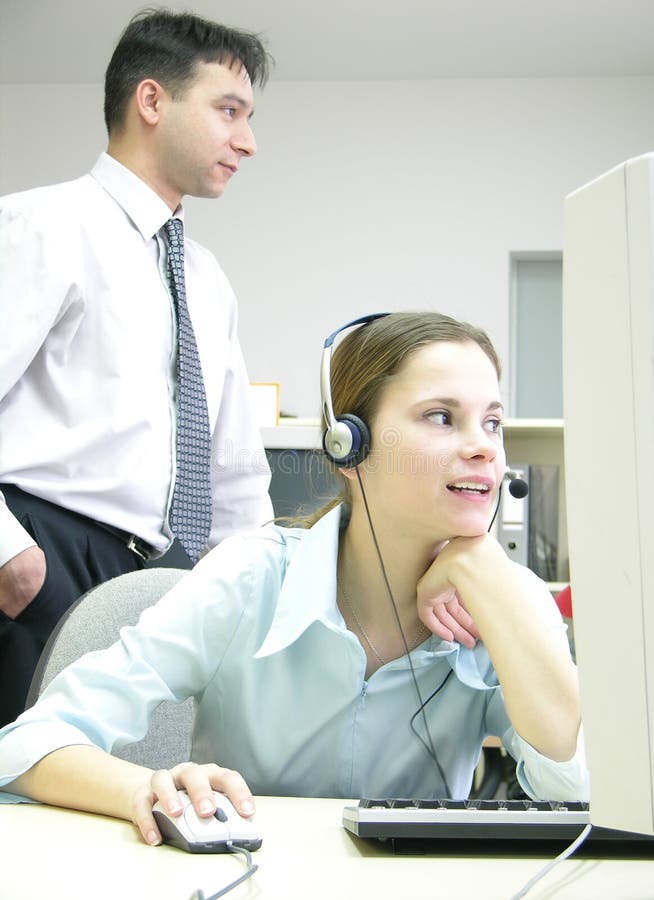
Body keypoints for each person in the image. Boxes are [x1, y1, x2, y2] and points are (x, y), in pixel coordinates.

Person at [0, 311, 588, 844]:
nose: (485, 448)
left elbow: (581, 797)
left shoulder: (506, 603)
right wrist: (147, 789)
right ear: (348, 446)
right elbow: (27, 744)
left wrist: (491, 573)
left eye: (492, 422)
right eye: (442, 417)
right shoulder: (251, 577)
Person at [0, 10, 275, 726]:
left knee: (126, 803)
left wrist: (261, 601)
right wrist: (12, 559)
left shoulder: (207, 279)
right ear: (151, 101)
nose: (247, 141)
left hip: (158, 581)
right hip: (41, 559)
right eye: (227, 111)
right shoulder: (41, 227)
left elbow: (235, 471)